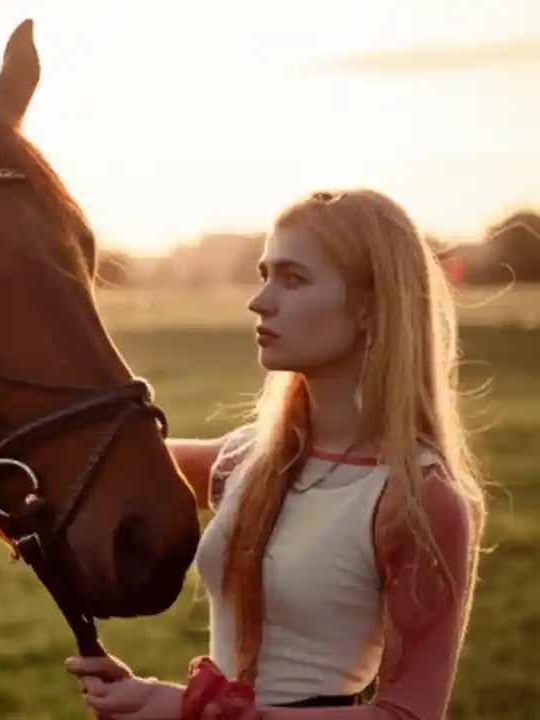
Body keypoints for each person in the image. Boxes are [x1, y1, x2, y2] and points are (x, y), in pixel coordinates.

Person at [65, 189, 487, 719]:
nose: (260, 300)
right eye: (265, 274)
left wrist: (189, 710)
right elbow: (90, 467)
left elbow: (408, 715)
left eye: (293, 279)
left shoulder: (418, 499)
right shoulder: (250, 459)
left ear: (369, 306)